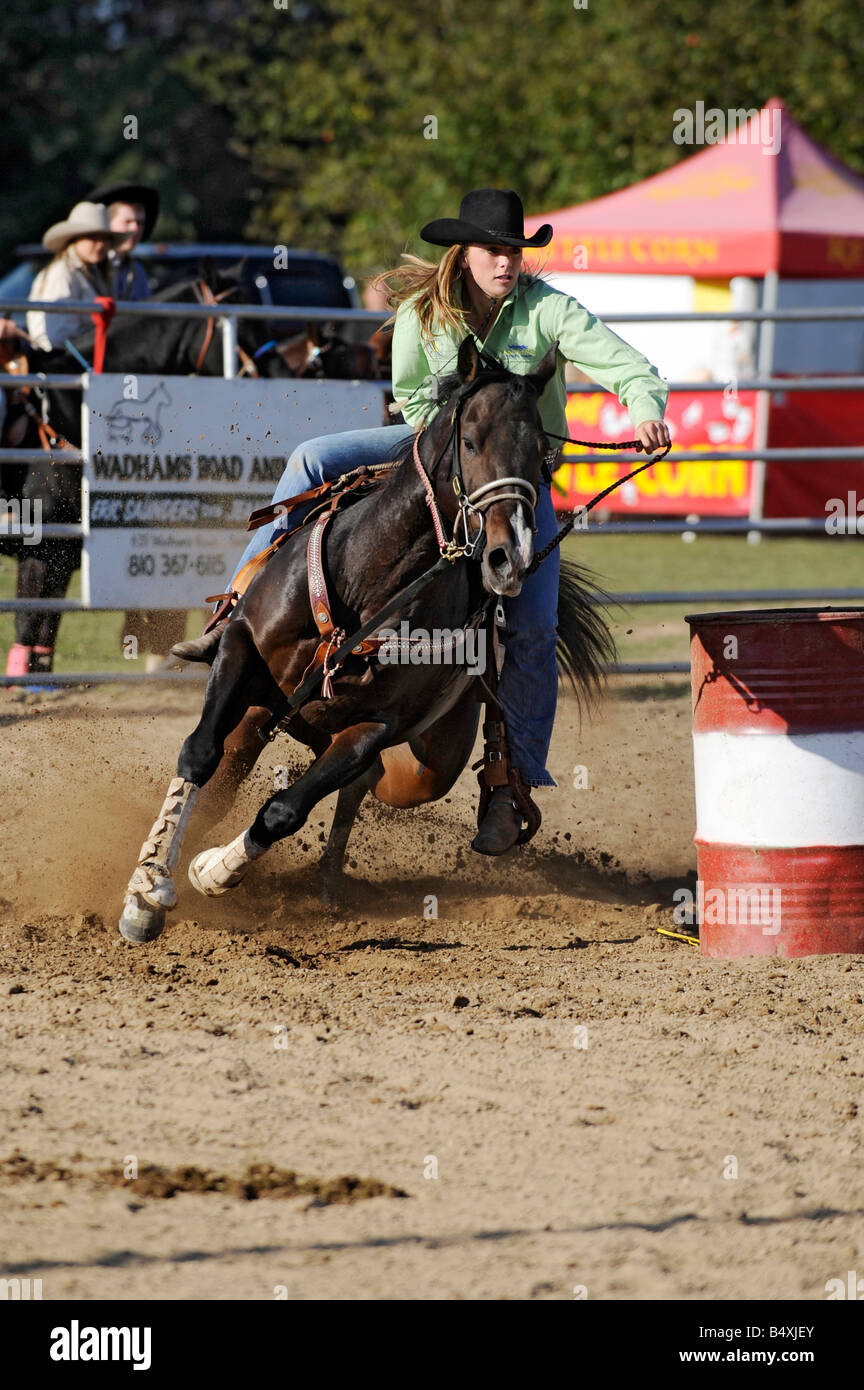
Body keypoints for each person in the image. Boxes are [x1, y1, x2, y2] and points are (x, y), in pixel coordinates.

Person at [173, 188, 670, 852]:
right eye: (494, 251)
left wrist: (644, 407)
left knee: (535, 624)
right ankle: (236, 607)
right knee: (312, 456)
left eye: (515, 252)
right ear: (462, 253)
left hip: (513, 476)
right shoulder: (423, 314)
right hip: (430, 454)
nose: (506, 263)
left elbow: (626, 364)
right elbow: (410, 396)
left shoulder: (549, 310)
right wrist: (441, 459)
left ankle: (508, 779)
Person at [26, 202, 122, 351]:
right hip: (62, 364)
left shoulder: (91, 271)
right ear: (75, 238)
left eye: (105, 238)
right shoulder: (62, 273)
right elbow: (56, 336)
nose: (101, 244)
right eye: (92, 237)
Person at [87, 180, 159, 301]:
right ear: (107, 223)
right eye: (127, 221)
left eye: (140, 223)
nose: (135, 228)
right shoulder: (90, 265)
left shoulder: (137, 271)